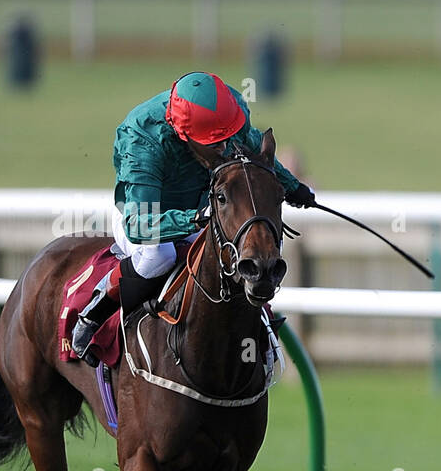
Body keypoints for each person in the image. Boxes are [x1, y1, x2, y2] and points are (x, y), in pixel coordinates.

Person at [71, 71, 315, 365]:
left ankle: (257, 331)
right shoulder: (143, 137)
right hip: (146, 215)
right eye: (212, 143)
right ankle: (94, 314)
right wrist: (197, 217)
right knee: (158, 256)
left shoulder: (225, 115)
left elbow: (256, 149)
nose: (223, 148)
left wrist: (293, 187)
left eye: (225, 139)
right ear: (184, 135)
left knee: (244, 248)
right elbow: (139, 226)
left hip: (206, 208)